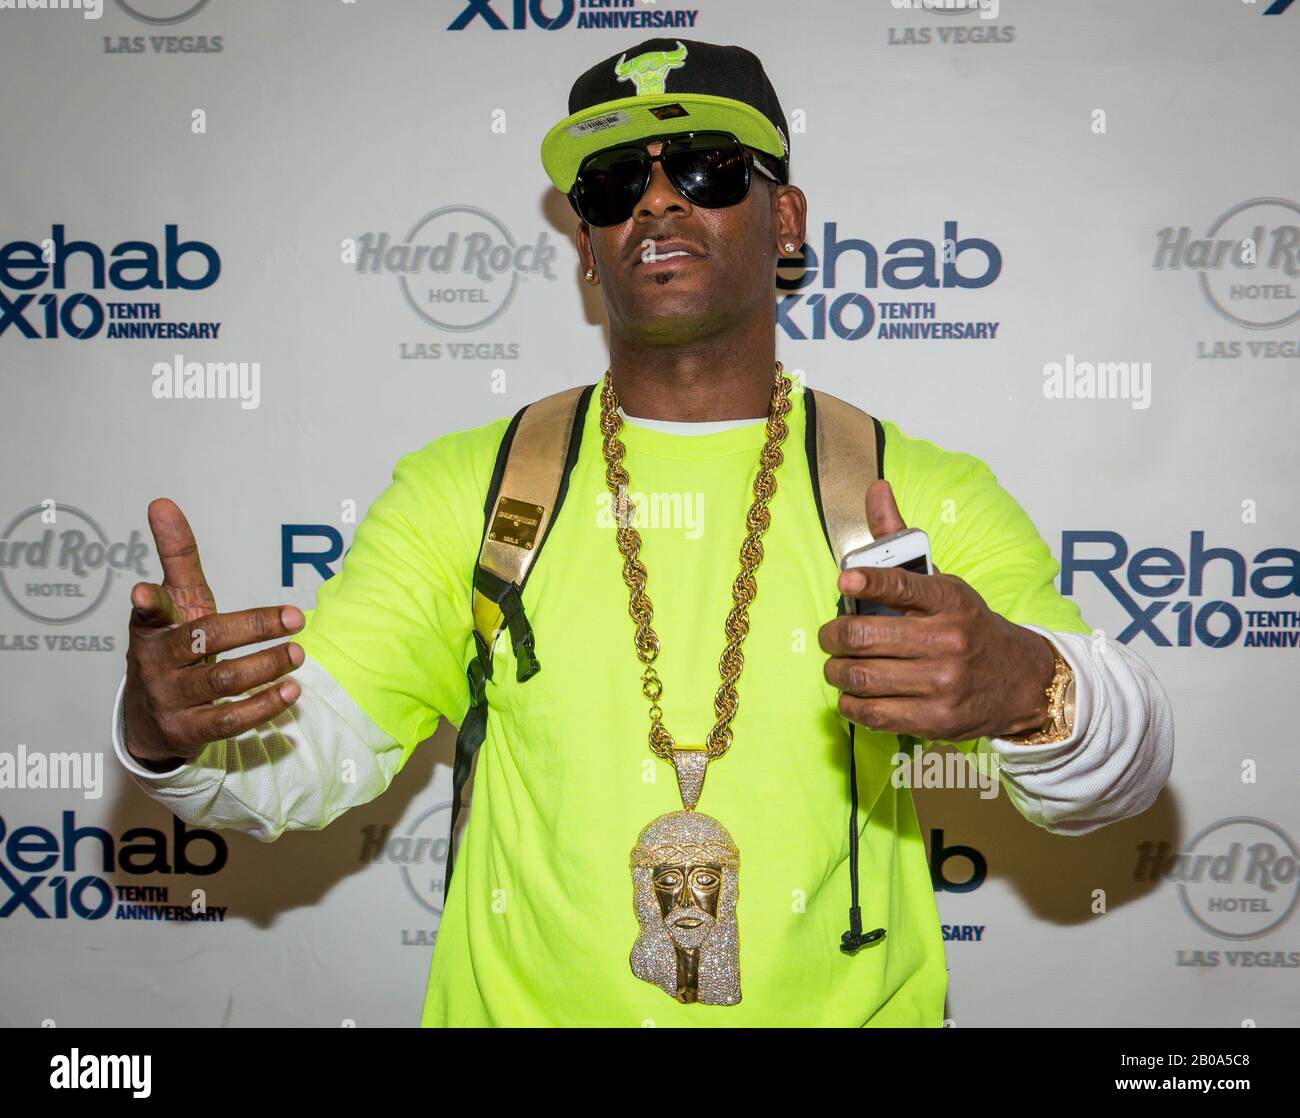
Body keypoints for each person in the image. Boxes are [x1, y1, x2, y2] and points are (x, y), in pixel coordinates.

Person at [112, 38, 1174, 1026]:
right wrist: (172, 729)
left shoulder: (913, 493)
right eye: (615, 184)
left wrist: (1029, 686)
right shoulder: (467, 489)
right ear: (587, 240)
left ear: (788, 217)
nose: (658, 202)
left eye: (707, 168)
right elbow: (303, 759)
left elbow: (1122, 773)